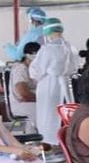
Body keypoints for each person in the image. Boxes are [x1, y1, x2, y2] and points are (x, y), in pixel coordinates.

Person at [29, 17, 78, 146]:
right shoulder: (70, 48)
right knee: (64, 115)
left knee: (48, 116)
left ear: (47, 31)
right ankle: (65, 145)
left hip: (49, 85)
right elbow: (74, 67)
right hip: (65, 85)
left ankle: (50, 145)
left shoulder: (46, 49)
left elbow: (36, 70)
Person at [9, 42, 40, 123]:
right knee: (44, 110)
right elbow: (24, 94)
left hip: (30, 102)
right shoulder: (20, 69)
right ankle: (37, 134)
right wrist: (43, 99)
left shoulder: (33, 70)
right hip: (20, 105)